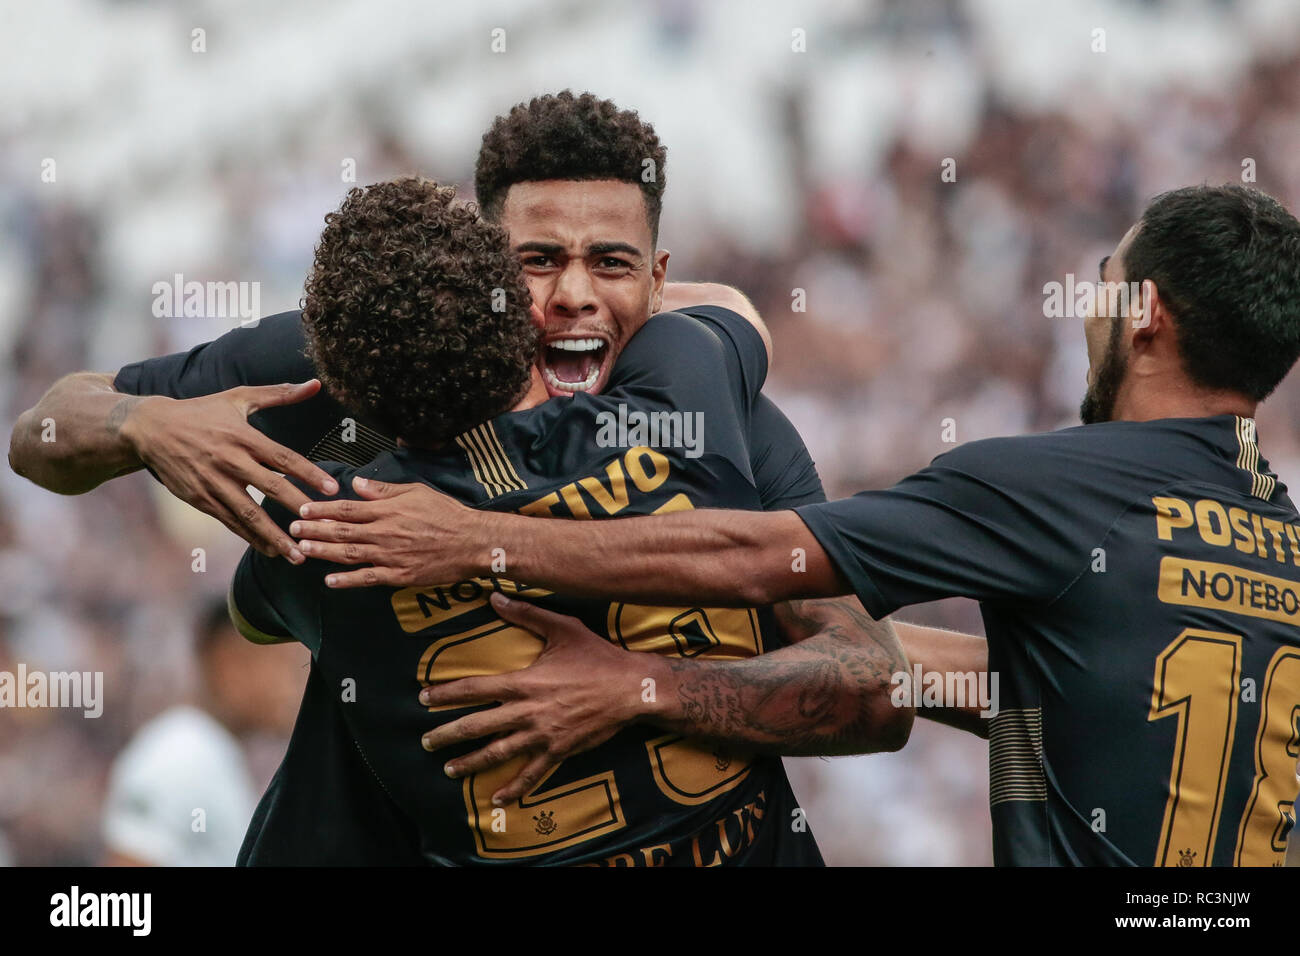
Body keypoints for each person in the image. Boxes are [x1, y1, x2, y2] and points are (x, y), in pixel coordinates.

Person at [10, 92, 919, 863]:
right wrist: (145, 419)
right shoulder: (694, 367)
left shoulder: (713, 407)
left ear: (657, 277)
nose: (572, 295)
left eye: (611, 262)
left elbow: (876, 684)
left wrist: (624, 676)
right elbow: (42, 429)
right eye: (536, 261)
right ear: (482, 264)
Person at [295, 184, 1300, 867]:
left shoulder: (1051, 484)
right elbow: (1085, 696)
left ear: (1144, 311)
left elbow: (754, 557)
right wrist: (716, 670)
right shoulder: (1277, 541)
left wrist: (484, 541)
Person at [231, 175, 860, 865]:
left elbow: (248, 613)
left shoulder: (329, 541)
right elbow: (728, 310)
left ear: (351, 392)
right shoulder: (679, 390)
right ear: (521, 312)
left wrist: (356, 446)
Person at [101, 600, 305, 866]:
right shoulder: (179, 753)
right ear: (230, 663)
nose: (294, 686)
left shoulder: (215, 754)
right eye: (284, 664)